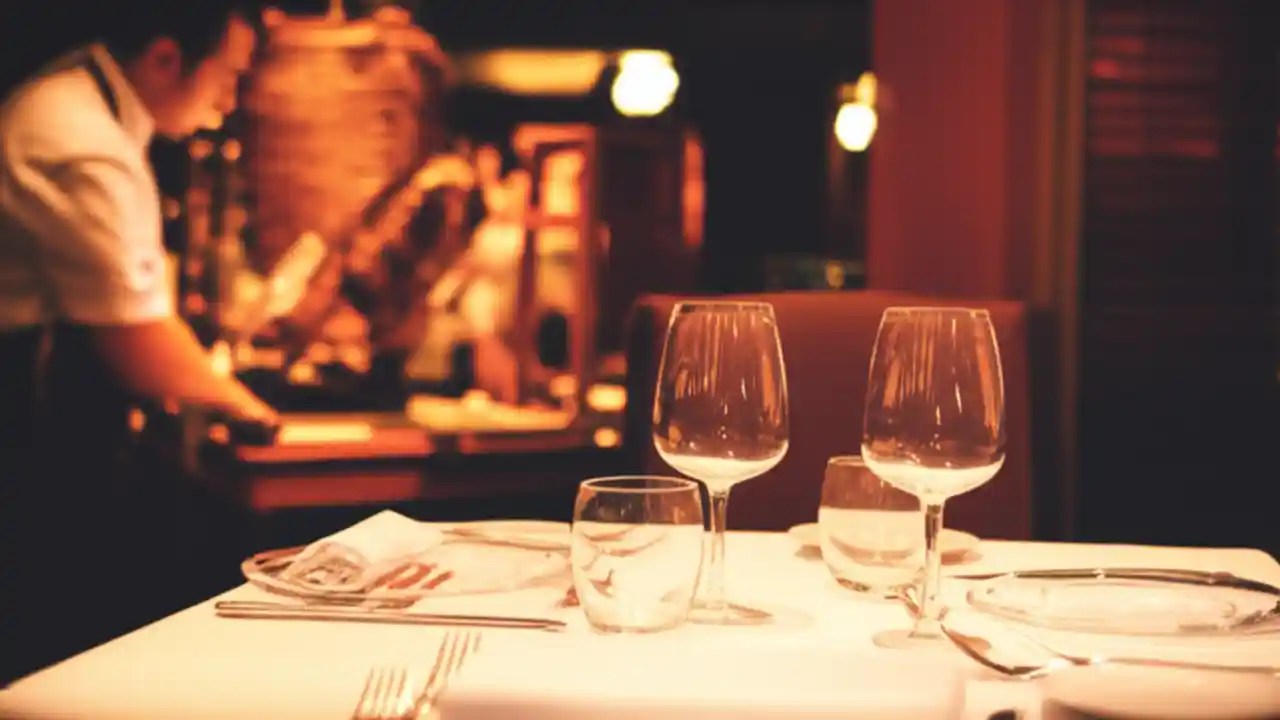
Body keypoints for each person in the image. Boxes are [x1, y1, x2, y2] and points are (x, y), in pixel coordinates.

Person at [0, 1, 277, 683]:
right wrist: (252, 410)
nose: (229, 99)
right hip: (25, 411)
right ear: (164, 58)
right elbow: (136, 340)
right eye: (227, 75)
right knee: (55, 655)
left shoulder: (78, 105)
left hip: (40, 403)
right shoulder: (78, 136)